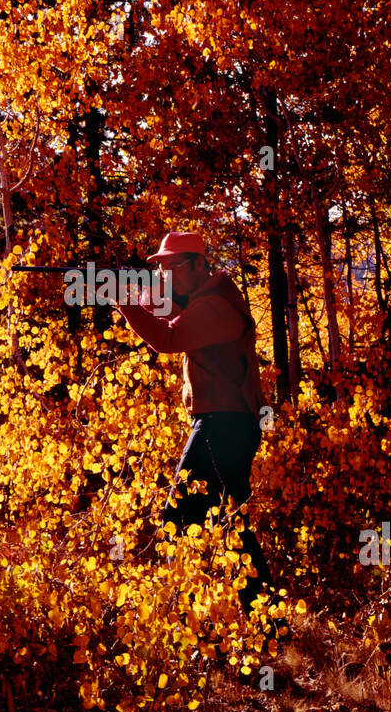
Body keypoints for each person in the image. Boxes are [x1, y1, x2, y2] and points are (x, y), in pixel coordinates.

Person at [116, 230, 279, 622]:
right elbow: (166, 312)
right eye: (161, 268)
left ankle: (186, 622)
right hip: (229, 421)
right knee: (229, 521)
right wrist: (139, 297)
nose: (165, 275)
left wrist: (124, 302)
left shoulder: (216, 305)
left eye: (172, 267)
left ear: (199, 265)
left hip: (222, 424)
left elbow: (168, 337)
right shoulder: (207, 298)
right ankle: (268, 620)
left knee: (179, 517)